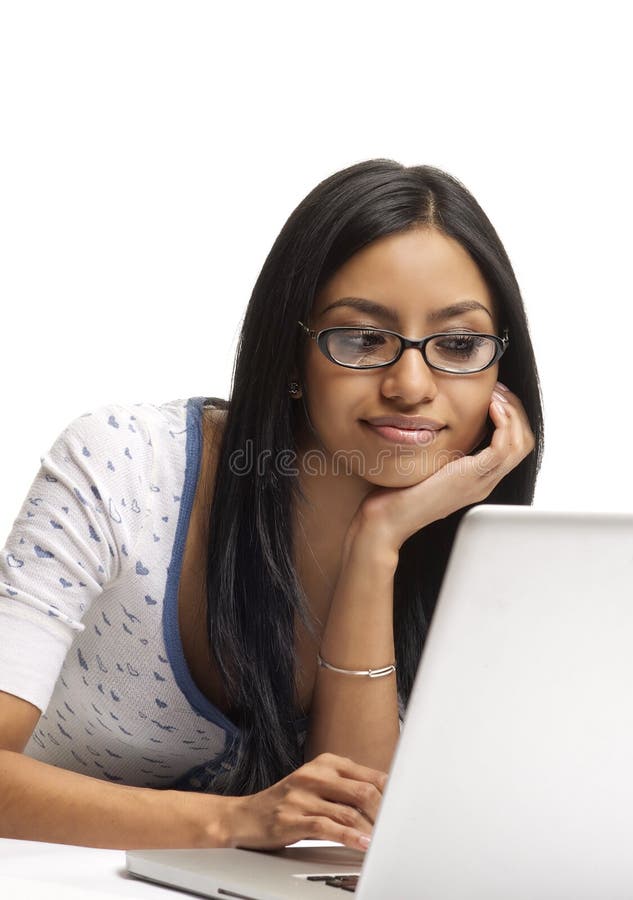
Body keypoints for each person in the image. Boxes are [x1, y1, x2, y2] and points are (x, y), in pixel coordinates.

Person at [0, 158, 543, 852]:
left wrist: (376, 544)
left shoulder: (464, 549)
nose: (411, 384)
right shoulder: (123, 465)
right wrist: (230, 822)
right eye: (362, 339)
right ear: (290, 357)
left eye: (459, 344)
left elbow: (350, 833)